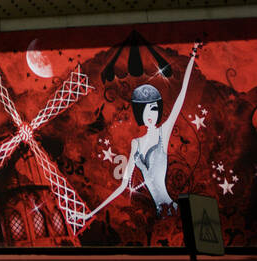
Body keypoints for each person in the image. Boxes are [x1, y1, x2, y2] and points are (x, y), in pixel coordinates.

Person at [78, 42, 203, 229]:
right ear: (139, 113)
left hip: (173, 209)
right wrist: (91, 213)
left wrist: (192, 56)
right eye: (144, 110)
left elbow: (180, 99)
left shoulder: (163, 133)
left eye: (153, 108)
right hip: (159, 214)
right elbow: (122, 187)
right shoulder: (135, 144)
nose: (150, 114)